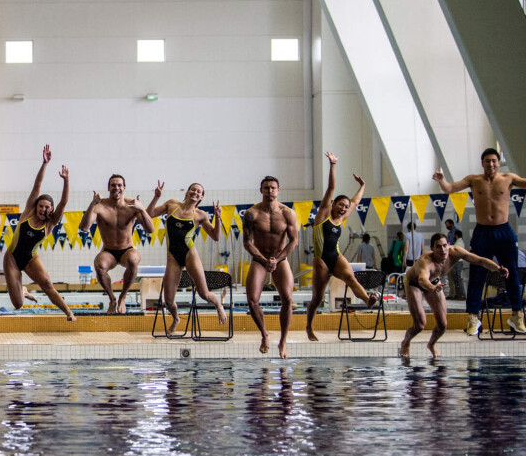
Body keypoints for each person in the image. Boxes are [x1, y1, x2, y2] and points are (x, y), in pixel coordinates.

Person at [433, 147, 526, 335]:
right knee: (477, 274)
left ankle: (517, 315)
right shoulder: (473, 180)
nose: (491, 164)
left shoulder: (509, 178)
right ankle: (473, 317)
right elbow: (450, 189)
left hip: (504, 231)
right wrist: (442, 181)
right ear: (482, 163)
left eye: (494, 161)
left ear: (498, 163)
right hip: (483, 232)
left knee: (512, 273)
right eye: (487, 161)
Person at [304, 152, 378, 341]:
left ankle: (368, 301)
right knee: (317, 299)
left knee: (350, 278)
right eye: (340, 205)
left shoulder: (341, 218)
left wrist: (363, 185)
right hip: (321, 261)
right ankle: (309, 327)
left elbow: (355, 202)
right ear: (333, 204)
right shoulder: (323, 215)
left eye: (345, 207)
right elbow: (331, 187)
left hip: (336, 257)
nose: (344, 208)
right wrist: (333, 164)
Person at [400, 233, 506, 358]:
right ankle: (406, 342)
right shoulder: (426, 260)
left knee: (443, 325)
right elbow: (422, 280)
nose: (443, 250)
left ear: (449, 245)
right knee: (420, 325)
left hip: (434, 282)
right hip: (414, 283)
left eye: (445, 246)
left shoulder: (455, 252)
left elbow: (479, 260)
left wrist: (498, 268)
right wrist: (433, 288)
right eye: (438, 247)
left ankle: (431, 344)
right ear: (432, 248)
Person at [145, 180, 228, 334]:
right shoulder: (171, 205)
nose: (195, 193)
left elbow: (216, 237)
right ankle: (176, 318)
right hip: (173, 257)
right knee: (168, 300)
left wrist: (218, 217)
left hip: (190, 254)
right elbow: (149, 214)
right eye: (193, 190)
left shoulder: (200, 215)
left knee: (203, 293)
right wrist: (156, 197)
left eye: (199, 192)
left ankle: (218, 305)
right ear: (187, 192)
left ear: (201, 197)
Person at [4, 144, 75, 320]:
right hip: (12, 257)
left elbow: (63, 203)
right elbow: (37, 186)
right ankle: (23, 290)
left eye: (46, 207)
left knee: (47, 283)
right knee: (18, 304)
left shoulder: (50, 224)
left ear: (51, 209)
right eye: (41, 206)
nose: (43, 209)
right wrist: (44, 163)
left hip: (31, 258)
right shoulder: (28, 212)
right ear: (36, 206)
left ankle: (68, 313)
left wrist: (66, 180)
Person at [79, 174, 154, 314]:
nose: (116, 188)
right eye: (113, 185)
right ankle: (112, 299)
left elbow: (150, 230)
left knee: (133, 259)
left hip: (127, 249)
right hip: (109, 251)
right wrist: (92, 204)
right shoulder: (100, 206)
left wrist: (141, 209)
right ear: (108, 187)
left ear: (124, 188)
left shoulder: (133, 205)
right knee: (100, 267)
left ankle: (122, 297)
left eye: (119, 185)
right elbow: (84, 228)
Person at [242, 175, 299, 358]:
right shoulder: (252, 213)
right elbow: (247, 242)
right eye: (266, 188)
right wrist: (263, 259)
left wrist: (276, 259)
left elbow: (294, 241)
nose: (270, 191)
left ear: (278, 190)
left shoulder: (287, 213)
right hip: (260, 259)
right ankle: (264, 334)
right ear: (261, 190)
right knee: (252, 300)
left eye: (273, 188)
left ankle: (283, 341)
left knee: (288, 300)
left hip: (280, 259)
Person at [448, 230, 466, 300]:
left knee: (458, 279)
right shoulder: (459, 242)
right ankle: (458, 294)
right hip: (458, 262)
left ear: (456, 235)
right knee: (456, 279)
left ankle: (461, 294)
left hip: (457, 262)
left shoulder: (459, 243)